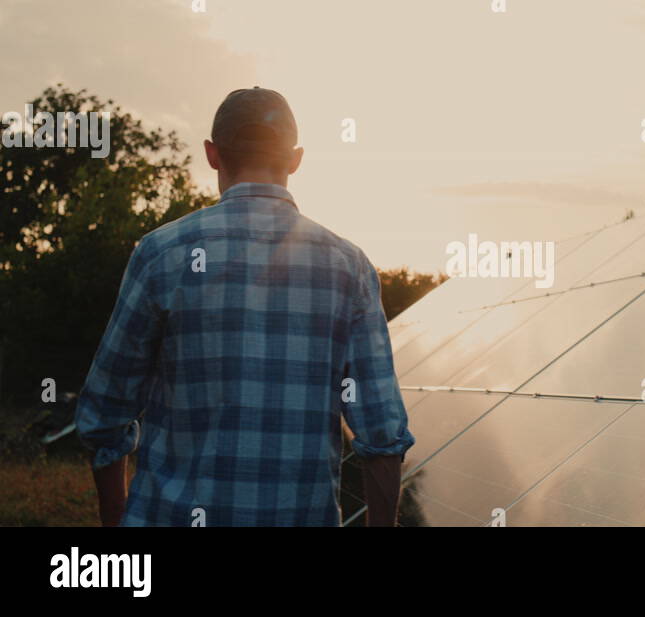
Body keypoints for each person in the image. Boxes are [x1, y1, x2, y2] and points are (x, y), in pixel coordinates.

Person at [75, 87, 414, 526]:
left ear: (213, 154)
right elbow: (381, 433)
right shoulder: (349, 267)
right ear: (295, 159)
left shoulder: (161, 254)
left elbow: (104, 413)